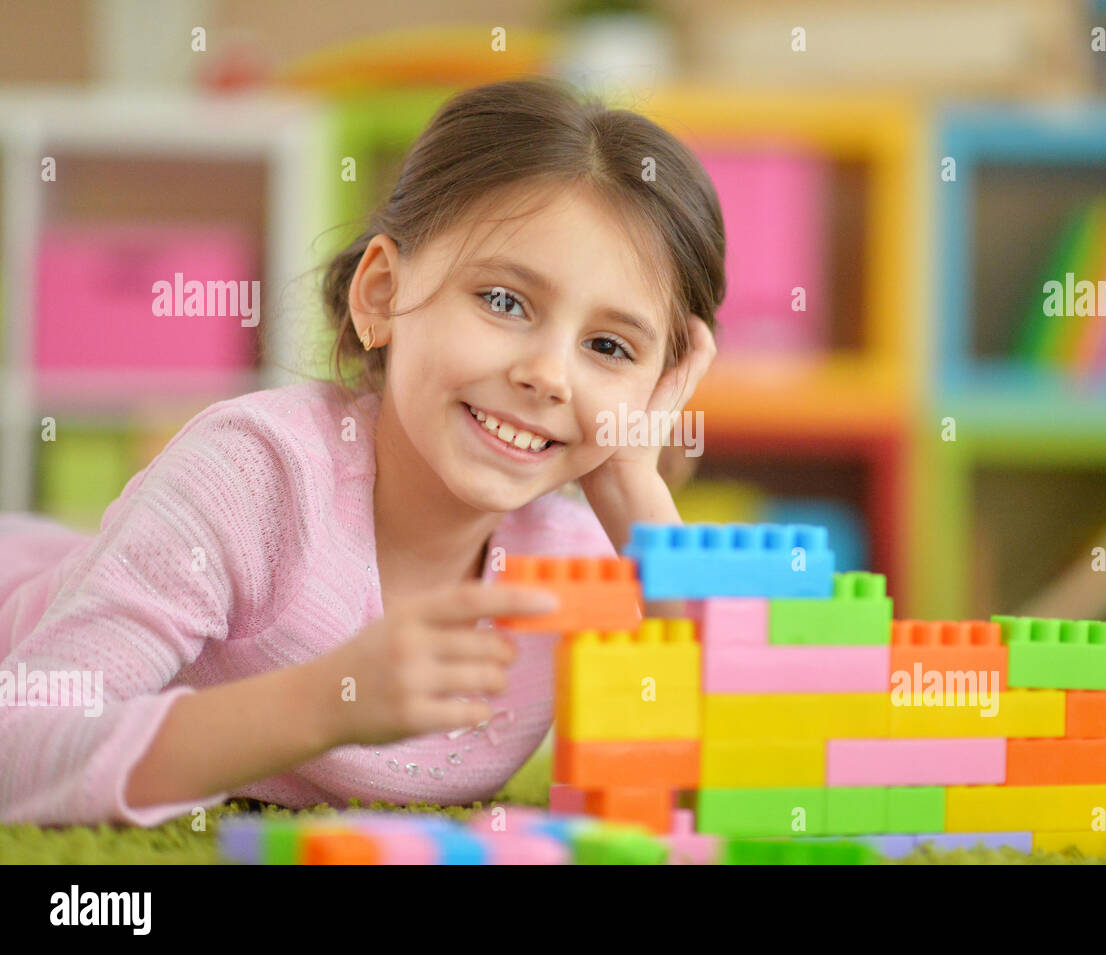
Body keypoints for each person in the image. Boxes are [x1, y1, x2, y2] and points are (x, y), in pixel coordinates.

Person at [0, 76, 723, 825]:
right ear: (381, 293)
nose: (547, 375)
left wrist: (636, 489)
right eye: (504, 300)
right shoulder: (253, 479)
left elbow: (731, 787)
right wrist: (323, 701)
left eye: (608, 346)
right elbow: (17, 748)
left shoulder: (579, 559)